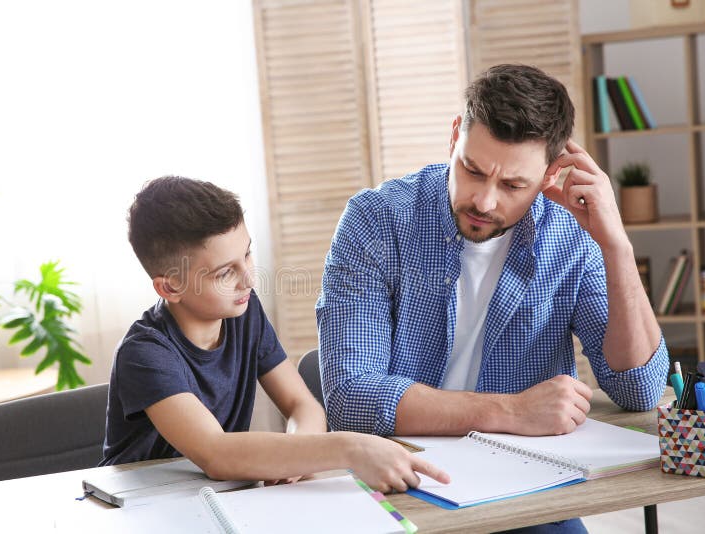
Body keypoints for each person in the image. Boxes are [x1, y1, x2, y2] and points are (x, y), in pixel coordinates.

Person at [315, 65, 669, 530]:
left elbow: (638, 389)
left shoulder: (571, 234)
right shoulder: (376, 220)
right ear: (455, 135)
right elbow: (350, 396)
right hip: (404, 474)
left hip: (526, 481)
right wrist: (512, 411)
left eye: (512, 185)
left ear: (551, 174)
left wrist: (616, 246)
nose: (483, 200)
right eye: (472, 169)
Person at [101, 176, 449, 494]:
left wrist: (294, 455)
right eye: (225, 273)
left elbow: (303, 406)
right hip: (141, 506)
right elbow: (215, 453)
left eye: (248, 253)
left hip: (210, 498)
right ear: (170, 287)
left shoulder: (242, 311)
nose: (249, 280)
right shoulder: (144, 354)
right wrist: (351, 447)